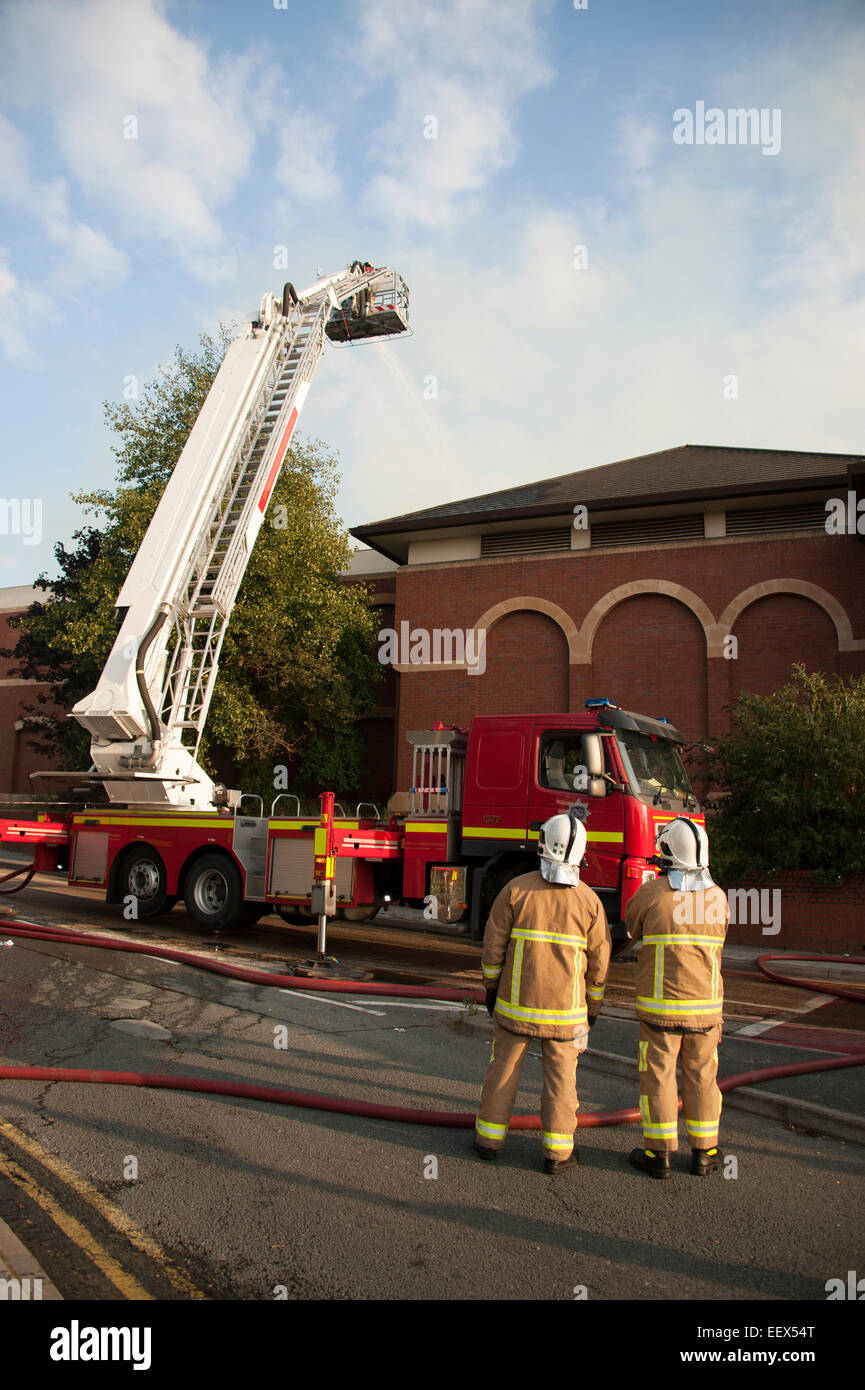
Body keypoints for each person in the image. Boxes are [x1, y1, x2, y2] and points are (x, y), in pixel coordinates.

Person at [474, 810, 611, 1174]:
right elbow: (600, 964)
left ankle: (488, 1141)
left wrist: (491, 989)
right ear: (581, 852)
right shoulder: (590, 902)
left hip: (515, 1008)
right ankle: (557, 1154)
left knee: (502, 1072)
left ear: (541, 845)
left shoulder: (515, 890)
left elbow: (493, 946)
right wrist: (592, 1008)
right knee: (562, 1082)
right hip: (566, 1017)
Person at [625, 816, 729, 1178]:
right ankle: (706, 1152)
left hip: (661, 1010)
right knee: (702, 1078)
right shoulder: (718, 898)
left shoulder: (653, 894)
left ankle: (659, 1155)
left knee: (659, 1077)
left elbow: (631, 926)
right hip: (706, 1012)